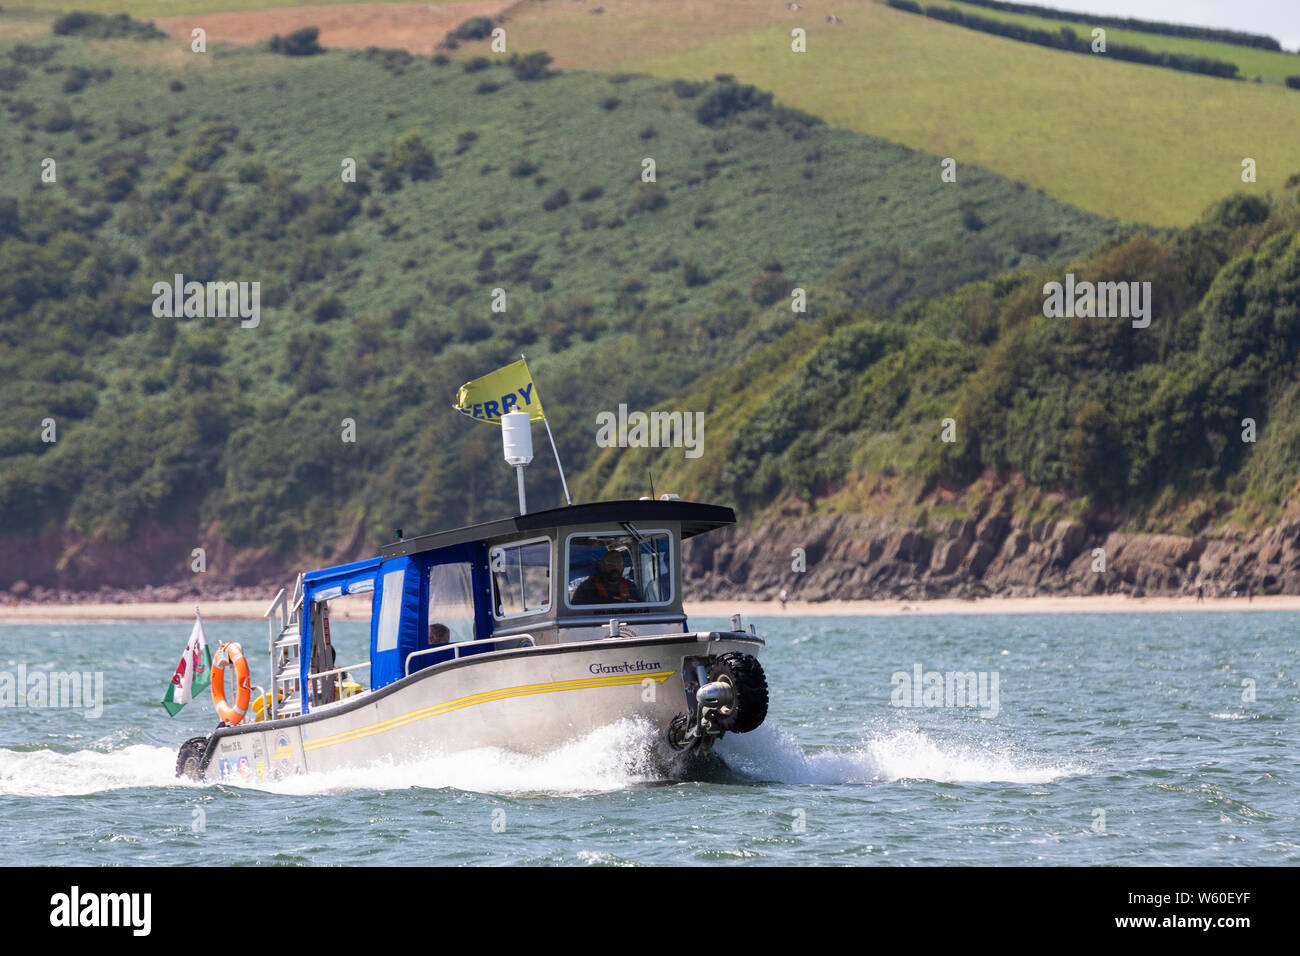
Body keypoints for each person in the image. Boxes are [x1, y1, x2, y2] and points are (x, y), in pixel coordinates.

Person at [572, 550, 642, 604]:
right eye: (610, 563)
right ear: (602, 566)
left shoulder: (631, 587)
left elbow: (642, 608)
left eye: (618, 563)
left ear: (623, 567)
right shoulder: (587, 588)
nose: (614, 567)